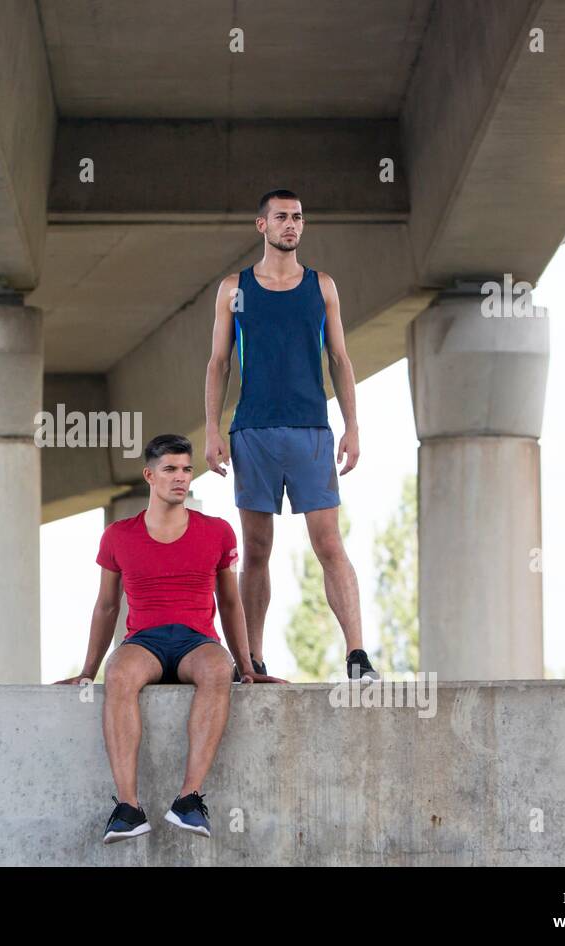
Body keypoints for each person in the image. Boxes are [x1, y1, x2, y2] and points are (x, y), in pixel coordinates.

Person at [56, 434, 285, 845]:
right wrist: (87, 671)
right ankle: (128, 808)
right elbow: (107, 607)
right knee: (119, 672)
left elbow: (231, 605)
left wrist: (247, 665)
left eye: (186, 470)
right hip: (145, 641)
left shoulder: (217, 532)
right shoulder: (118, 536)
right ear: (150, 475)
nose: (180, 478)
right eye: (170, 470)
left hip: (197, 642)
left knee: (218, 669)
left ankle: (189, 799)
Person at [204, 188, 380, 684]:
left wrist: (353, 426)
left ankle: (358, 656)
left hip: (311, 432)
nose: (291, 225)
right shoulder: (232, 289)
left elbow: (340, 360)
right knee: (255, 549)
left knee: (329, 543)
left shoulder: (322, 286)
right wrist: (213, 429)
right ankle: (252, 660)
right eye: (281, 217)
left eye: (298, 218)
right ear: (262, 225)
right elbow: (218, 363)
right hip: (252, 431)